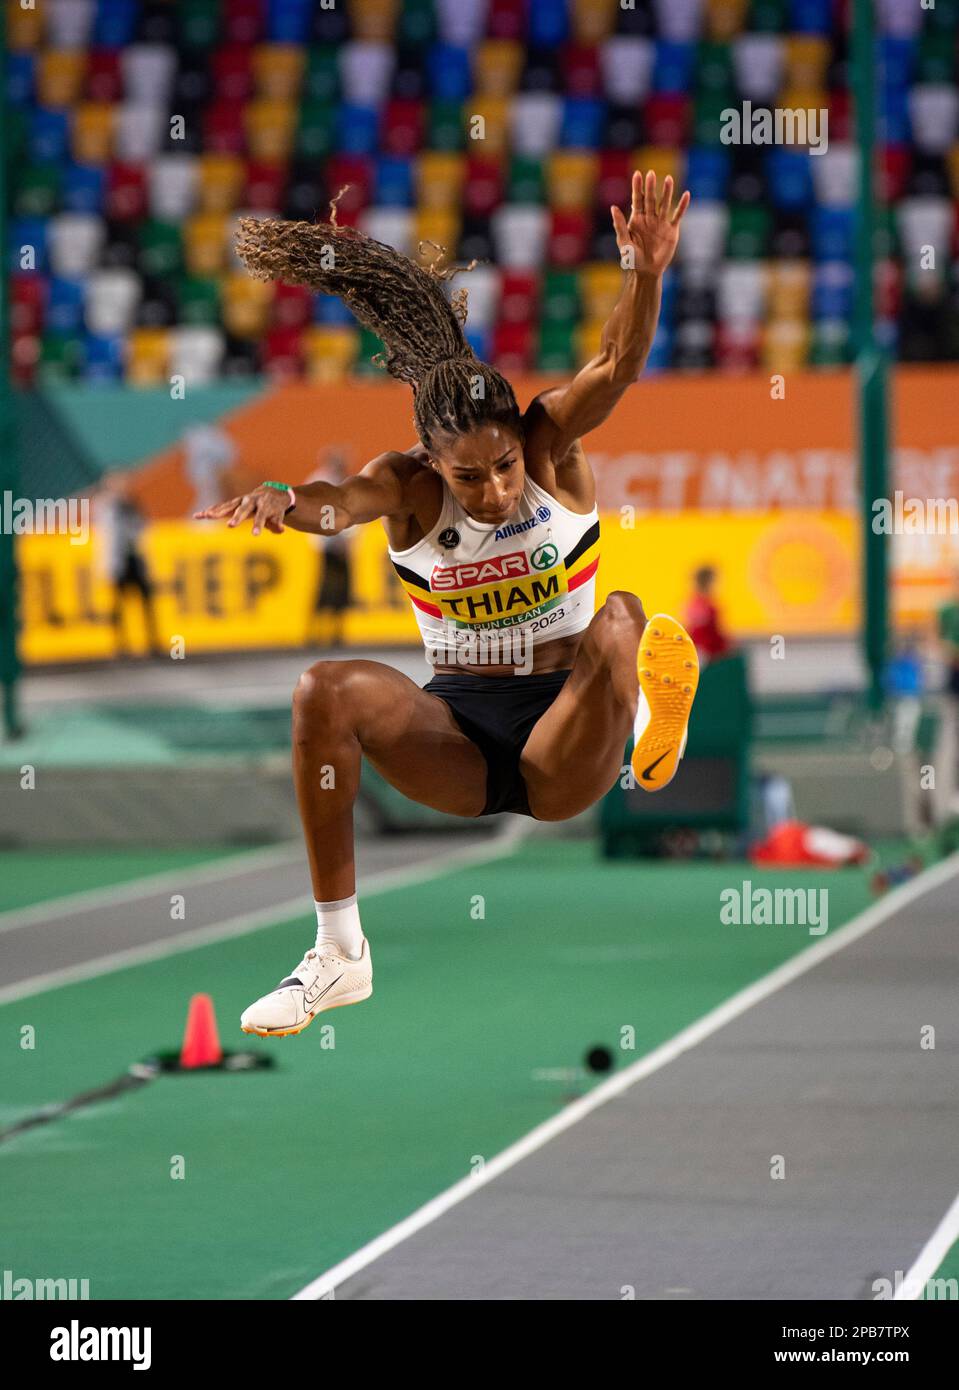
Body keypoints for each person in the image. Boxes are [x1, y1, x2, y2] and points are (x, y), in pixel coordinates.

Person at [197, 171, 700, 1038]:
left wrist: (643, 271)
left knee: (620, 614)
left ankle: (654, 710)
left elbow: (615, 364)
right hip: (457, 736)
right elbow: (335, 503)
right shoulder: (405, 487)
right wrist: (285, 498)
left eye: (503, 465)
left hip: (562, 733)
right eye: (468, 476)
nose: (497, 490)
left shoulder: (550, 445)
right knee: (323, 688)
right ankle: (337, 951)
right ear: (432, 462)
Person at [685, 565, 732, 664]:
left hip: (710, 652)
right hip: (705, 654)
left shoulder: (699, 603)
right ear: (708, 582)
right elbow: (700, 633)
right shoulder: (701, 604)